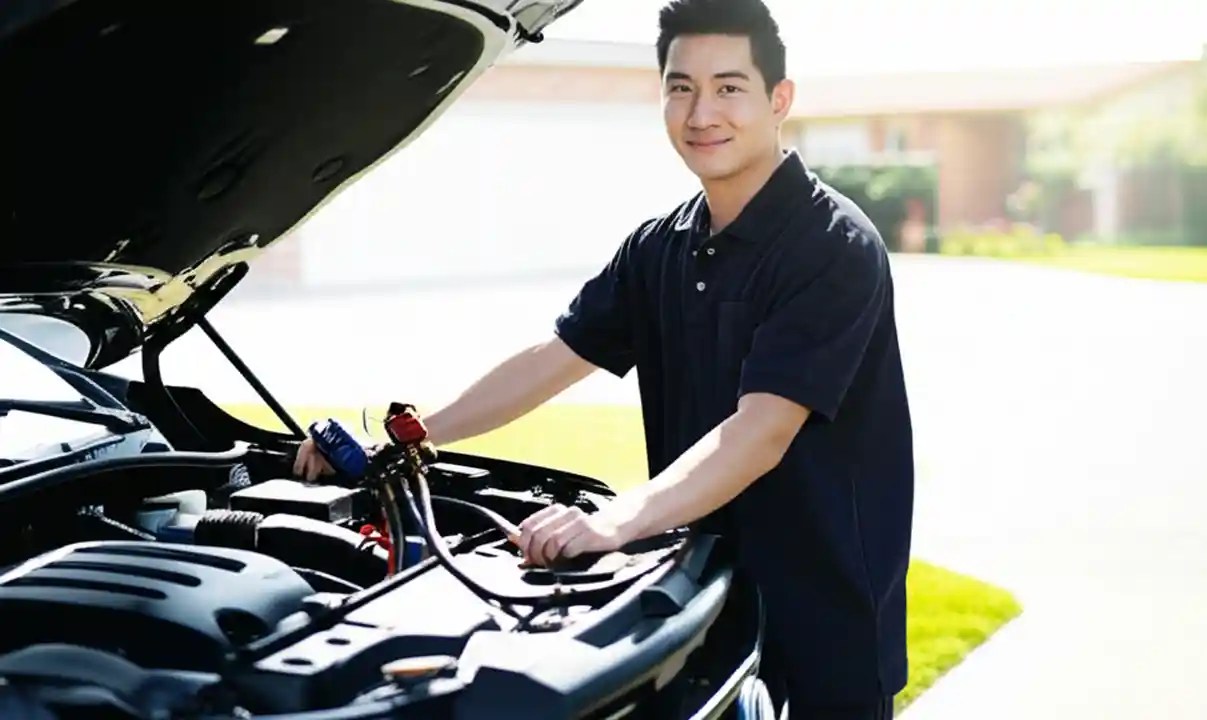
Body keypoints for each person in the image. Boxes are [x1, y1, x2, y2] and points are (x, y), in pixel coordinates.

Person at [294, 0, 913, 716]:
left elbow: (761, 431)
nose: (701, 112)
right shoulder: (660, 247)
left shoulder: (832, 246)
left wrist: (616, 522)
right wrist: (411, 435)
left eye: (728, 87)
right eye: (680, 87)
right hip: (696, 592)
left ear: (779, 100)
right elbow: (553, 358)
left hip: (823, 618)